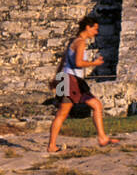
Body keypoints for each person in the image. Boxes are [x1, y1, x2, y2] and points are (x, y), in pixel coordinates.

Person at [48, 16, 115, 152]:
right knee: (62, 113)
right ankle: (51, 146)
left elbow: (63, 62)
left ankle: (102, 137)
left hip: (68, 79)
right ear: (87, 27)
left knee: (96, 105)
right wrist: (94, 63)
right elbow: (78, 63)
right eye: (95, 29)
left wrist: (56, 78)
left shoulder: (73, 41)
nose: (96, 32)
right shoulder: (80, 42)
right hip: (70, 81)